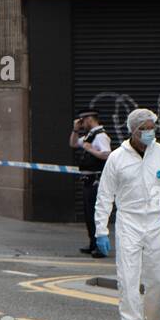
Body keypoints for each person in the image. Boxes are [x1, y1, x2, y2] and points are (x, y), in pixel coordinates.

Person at [94, 107, 160, 320]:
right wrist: (101, 230)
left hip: (156, 222)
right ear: (133, 132)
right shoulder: (117, 158)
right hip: (129, 222)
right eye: (143, 129)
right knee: (128, 277)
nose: (149, 133)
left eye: (151, 128)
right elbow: (105, 195)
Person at [69, 108, 111, 255]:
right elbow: (73, 144)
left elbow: (106, 155)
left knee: (95, 214)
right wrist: (75, 130)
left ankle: (100, 247)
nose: (82, 124)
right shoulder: (90, 135)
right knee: (88, 214)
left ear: (89, 119)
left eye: (82, 121)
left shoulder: (101, 136)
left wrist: (90, 149)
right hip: (88, 180)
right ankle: (93, 243)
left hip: (96, 180)